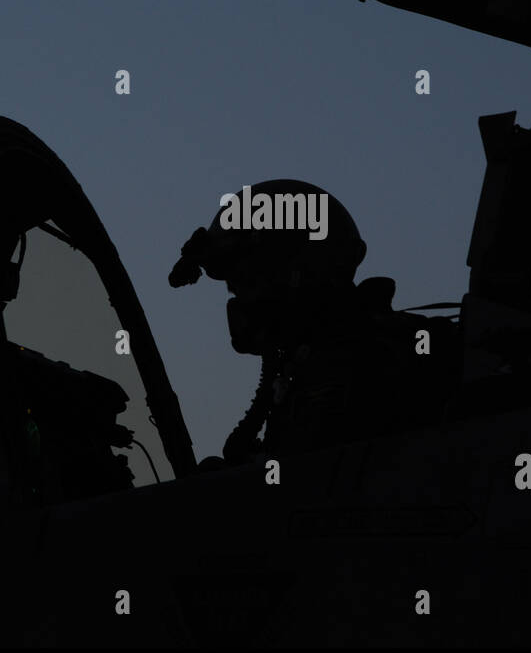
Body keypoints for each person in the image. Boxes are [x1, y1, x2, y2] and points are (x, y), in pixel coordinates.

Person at [168, 180, 456, 464]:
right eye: (236, 287)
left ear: (300, 272)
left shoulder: (378, 355)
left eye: (249, 281)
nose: (243, 301)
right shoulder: (306, 364)